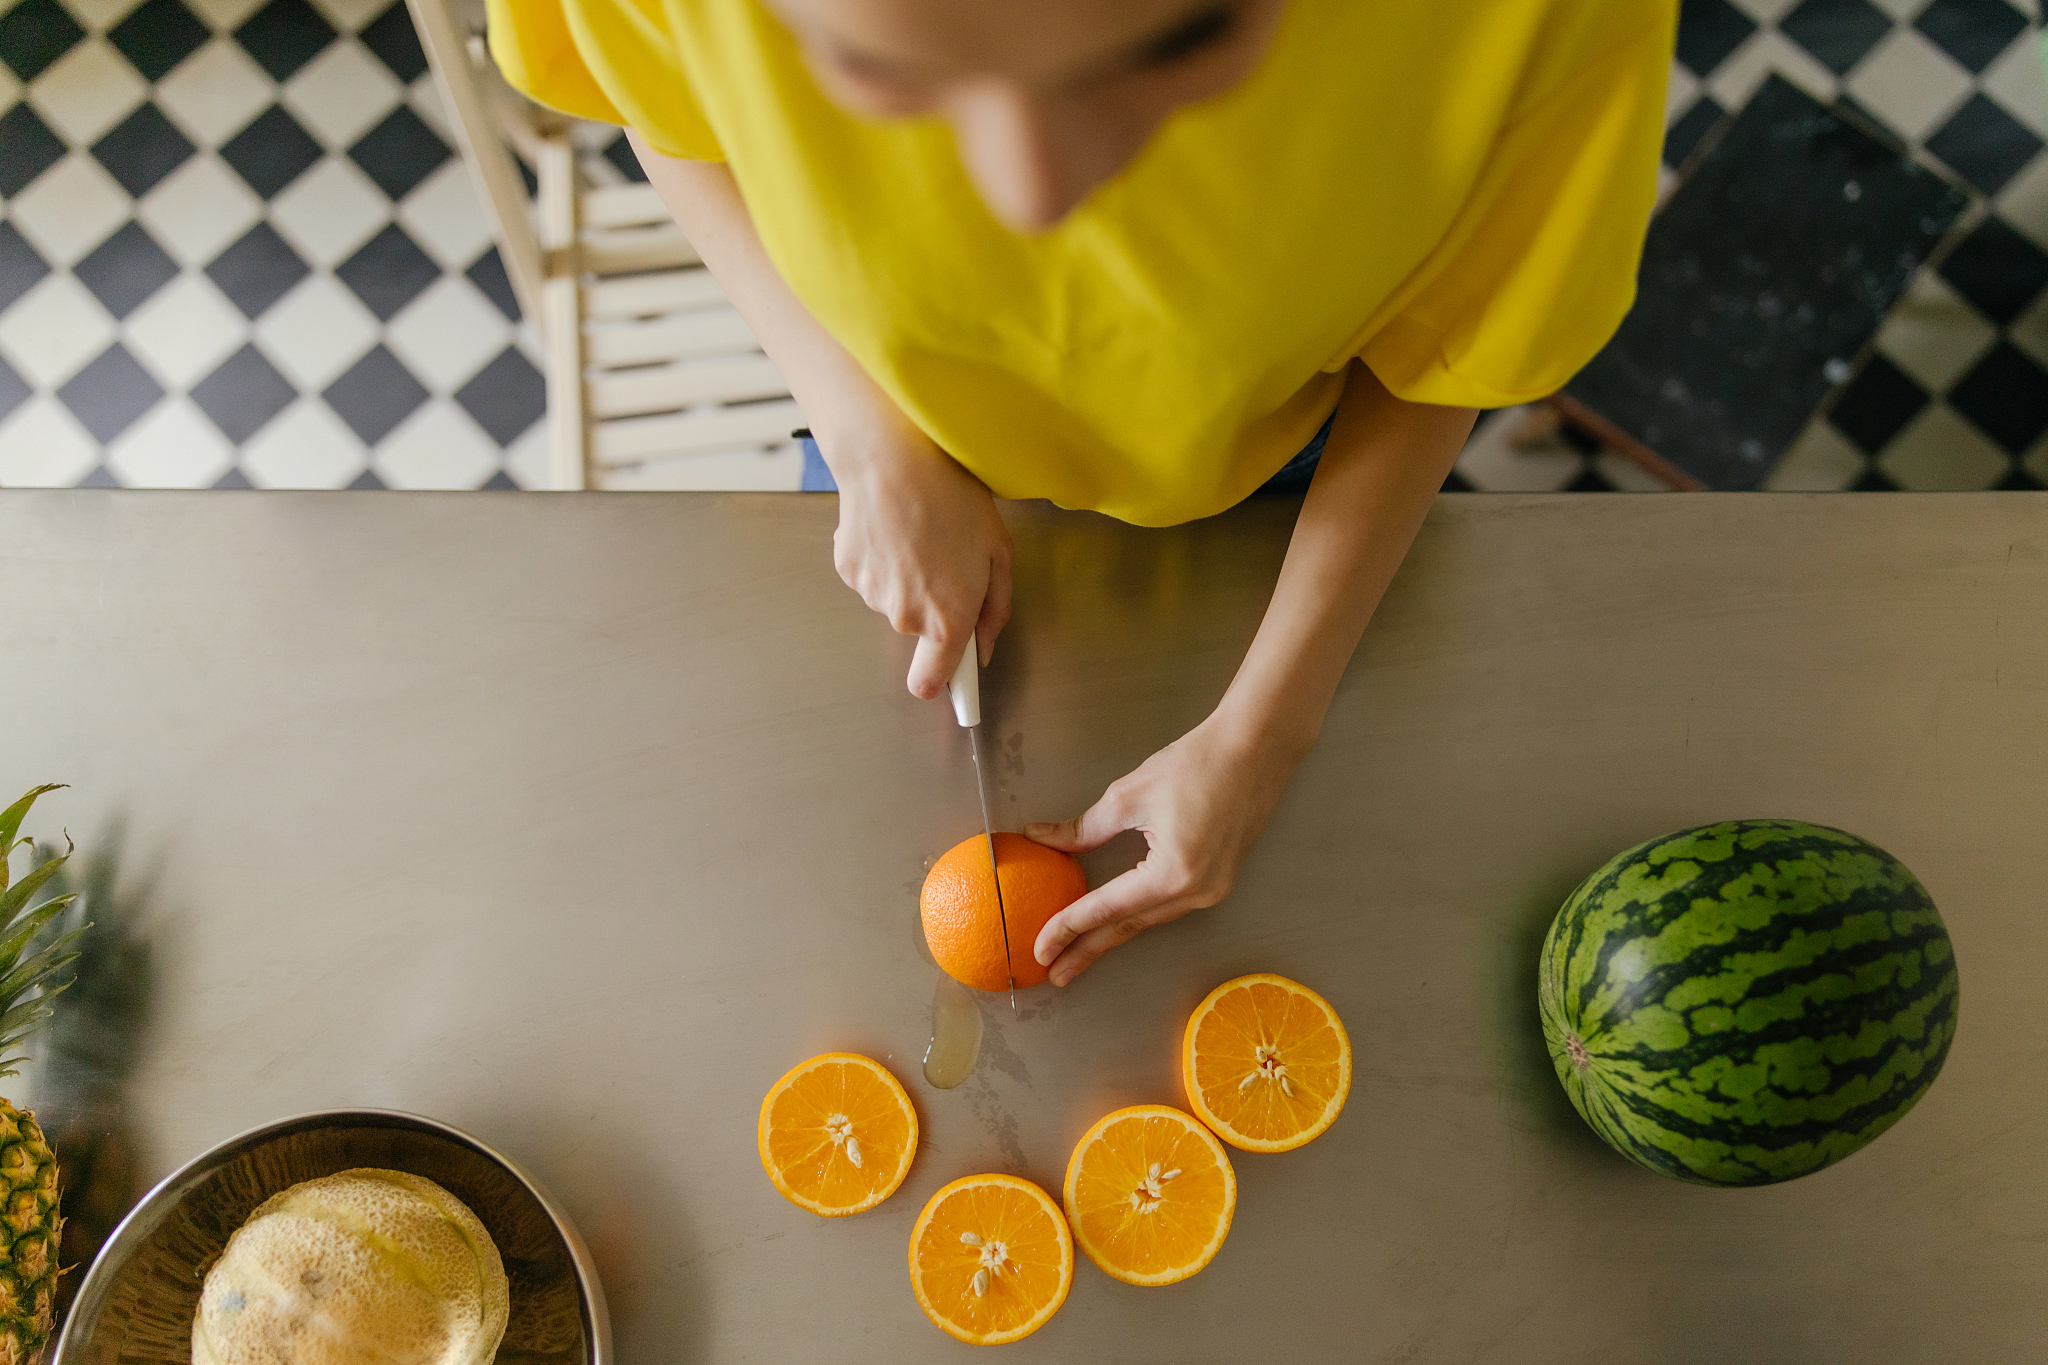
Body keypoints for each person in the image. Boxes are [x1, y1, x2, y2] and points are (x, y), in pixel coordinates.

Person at [489, 0, 1676, 985]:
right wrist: (864, 433)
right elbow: (667, 107)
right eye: (875, 69)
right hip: (885, 438)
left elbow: (1451, 348)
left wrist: (1265, 731)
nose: (1035, 199)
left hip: (1274, 465)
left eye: (1176, 48)